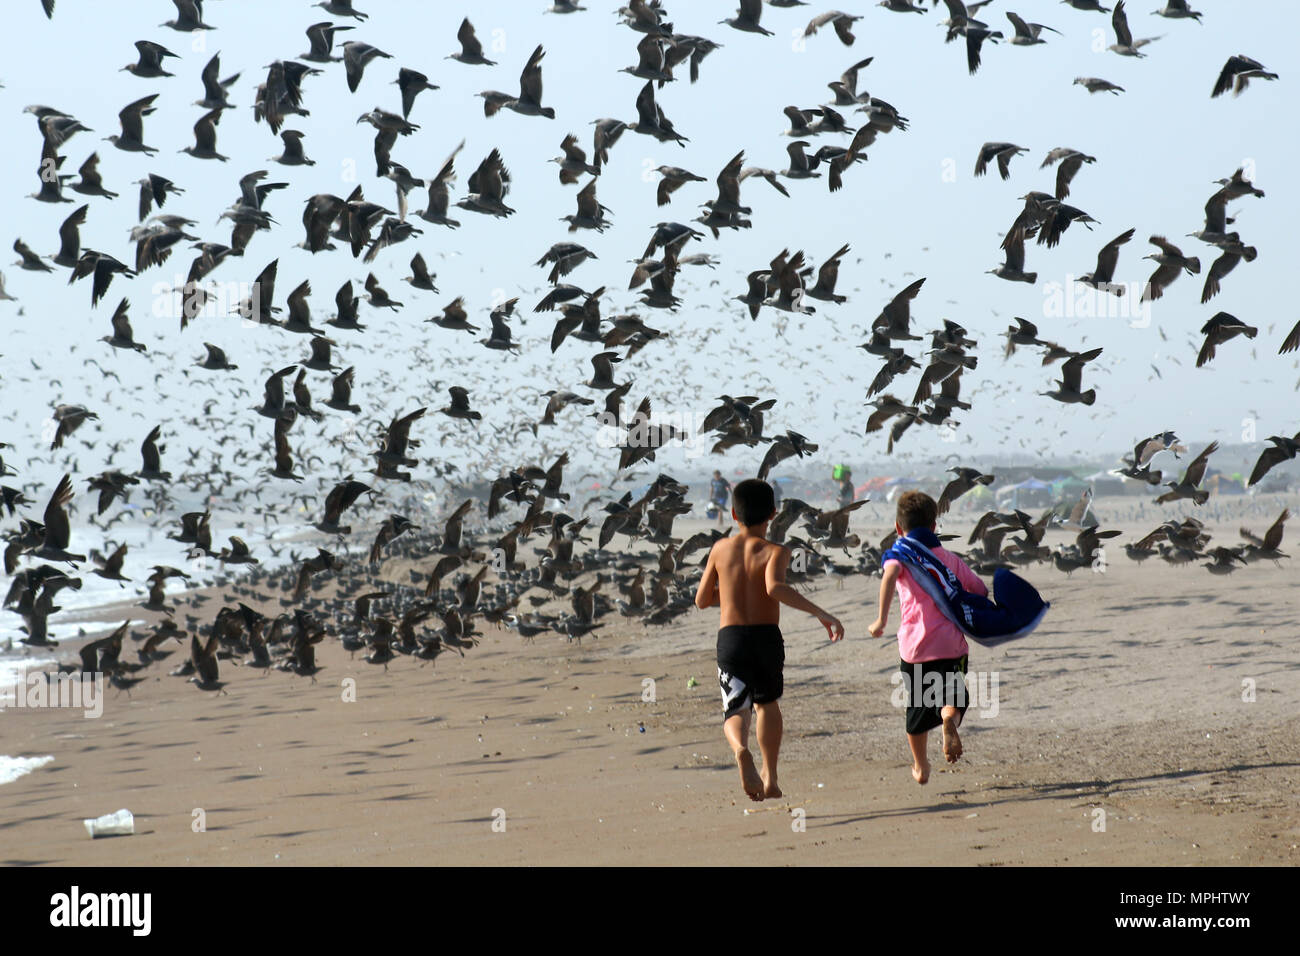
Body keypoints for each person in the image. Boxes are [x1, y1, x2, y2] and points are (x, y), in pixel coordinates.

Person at [695, 478, 845, 802]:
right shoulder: (777, 550)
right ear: (774, 514)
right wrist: (821, 613)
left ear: (733, 514)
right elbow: (774, 588)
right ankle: (771, 776)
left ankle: (740, 751)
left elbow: (702, 599)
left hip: (731, 638)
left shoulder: (720, 549)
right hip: (766, 637)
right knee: (767, 704)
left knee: (735, 707)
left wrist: (734, 593)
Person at [868, 490, 987, 786]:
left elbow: (891, 572)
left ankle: (921, 766)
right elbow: (979, 590)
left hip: (914, 649)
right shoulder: (949, 559)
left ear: (898, 528)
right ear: (934, 526)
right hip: (950, 646)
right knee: (954, 697)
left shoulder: (901, 556)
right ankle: (948, 719)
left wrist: (881, 619)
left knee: (918, 708)